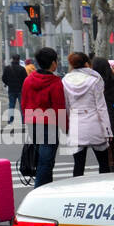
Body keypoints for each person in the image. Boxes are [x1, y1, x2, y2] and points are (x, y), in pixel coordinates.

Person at [22, 47, 68, 187]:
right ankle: (40, 191)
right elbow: (59, 107)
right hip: (49, 125)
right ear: (53, 63)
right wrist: (65, 127)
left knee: (41, 159)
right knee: (46, 162)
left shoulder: (28, 80)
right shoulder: (55, 82)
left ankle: (45, 189)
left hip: (32, 123)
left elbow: (24, 103)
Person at [62, 52, 112, 177]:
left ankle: (77, 192)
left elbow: (66, 106)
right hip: (94, 124)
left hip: (76, 125)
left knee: (78, 165)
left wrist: (67, 127)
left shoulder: (65, 81)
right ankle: (104, 189)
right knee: (103, 163)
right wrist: (108, 130)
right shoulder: (95, 80)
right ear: (86, 63)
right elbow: (101, 108)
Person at [95, 57, 114, 173]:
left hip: (102, 123)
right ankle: (113, 173)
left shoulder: (95, 82)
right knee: (113, 153)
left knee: (106, 156)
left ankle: (108, 175)